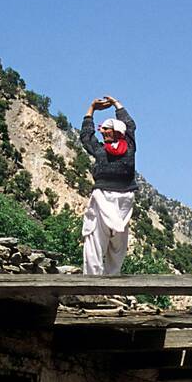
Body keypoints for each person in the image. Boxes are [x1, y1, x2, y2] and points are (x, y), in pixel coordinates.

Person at [79, 94, 137, 276]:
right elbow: (130, 125)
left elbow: (86, 137)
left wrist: (95, 108)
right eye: (101, 129)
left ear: (115, 131)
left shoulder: (110, 149)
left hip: (114, 199)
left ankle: (101, 283)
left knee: (102, 242)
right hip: (114, 199)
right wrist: (109, 106)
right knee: (107, 243)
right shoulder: (124, 148)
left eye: (105, 129)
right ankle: (103, 282)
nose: (102, 132)